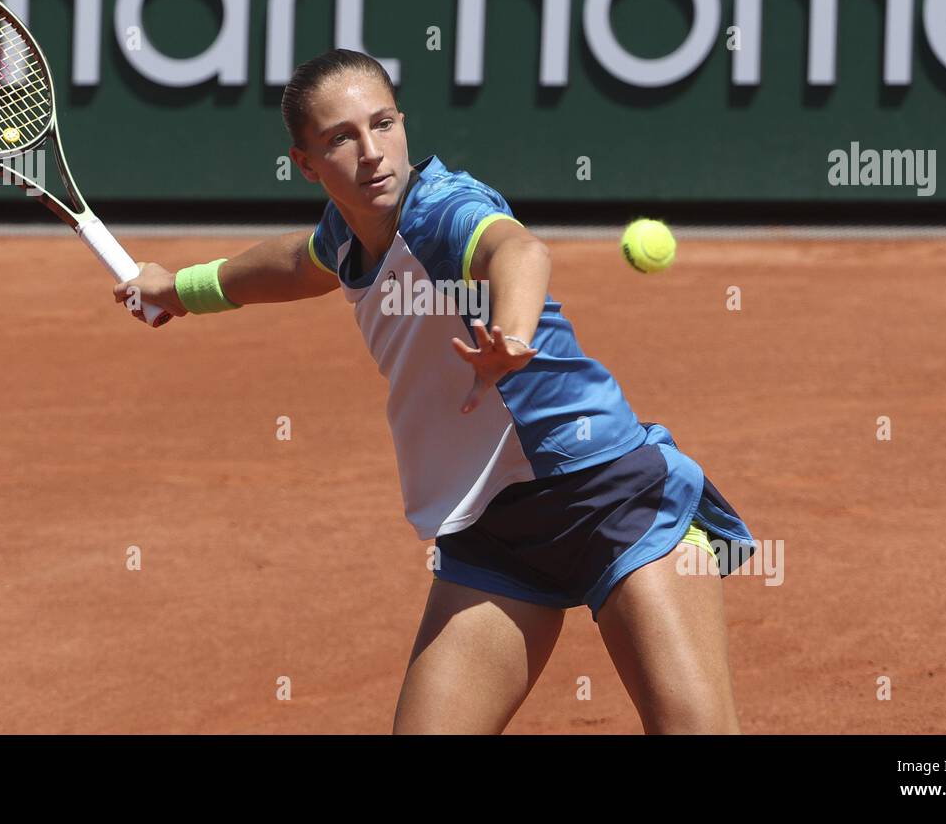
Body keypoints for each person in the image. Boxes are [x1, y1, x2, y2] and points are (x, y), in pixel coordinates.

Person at [116, 48, 757, 734]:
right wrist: (179, 290)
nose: (372, 152)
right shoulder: (345, 234)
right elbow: (291, 264)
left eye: (383, 123)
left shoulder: (443, 212)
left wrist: (510, 336)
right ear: (305, 163)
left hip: (608, 498)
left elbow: (519, 252)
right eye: (342, 138)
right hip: (492, 533)